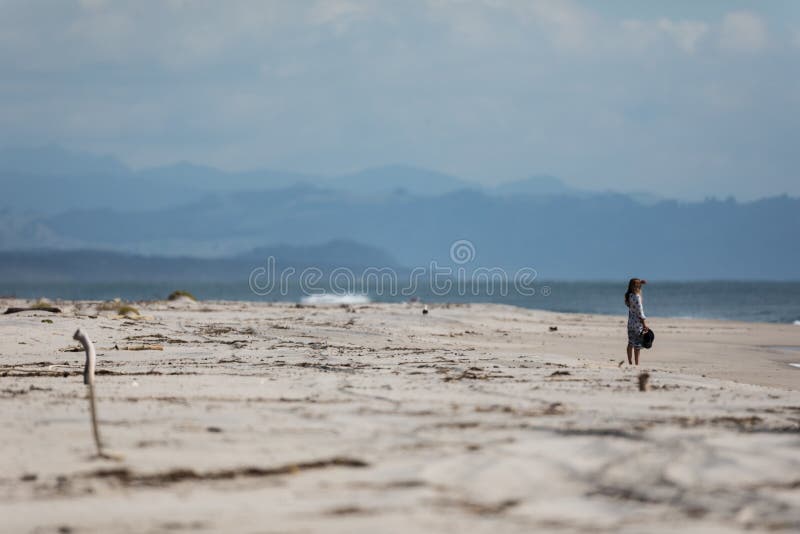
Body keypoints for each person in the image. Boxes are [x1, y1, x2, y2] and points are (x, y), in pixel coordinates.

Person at [624, 278, 648, 365]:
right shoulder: (637, 297)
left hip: (630, 323)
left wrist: (640, 284)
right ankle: (637, 363)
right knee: (637, 345)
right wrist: (644, 324)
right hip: (637, 324)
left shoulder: (629, 296)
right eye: (639, 285)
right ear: (637, 287)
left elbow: (635, 288)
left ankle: (630, 362)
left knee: (630, 343)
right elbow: (640, 312)